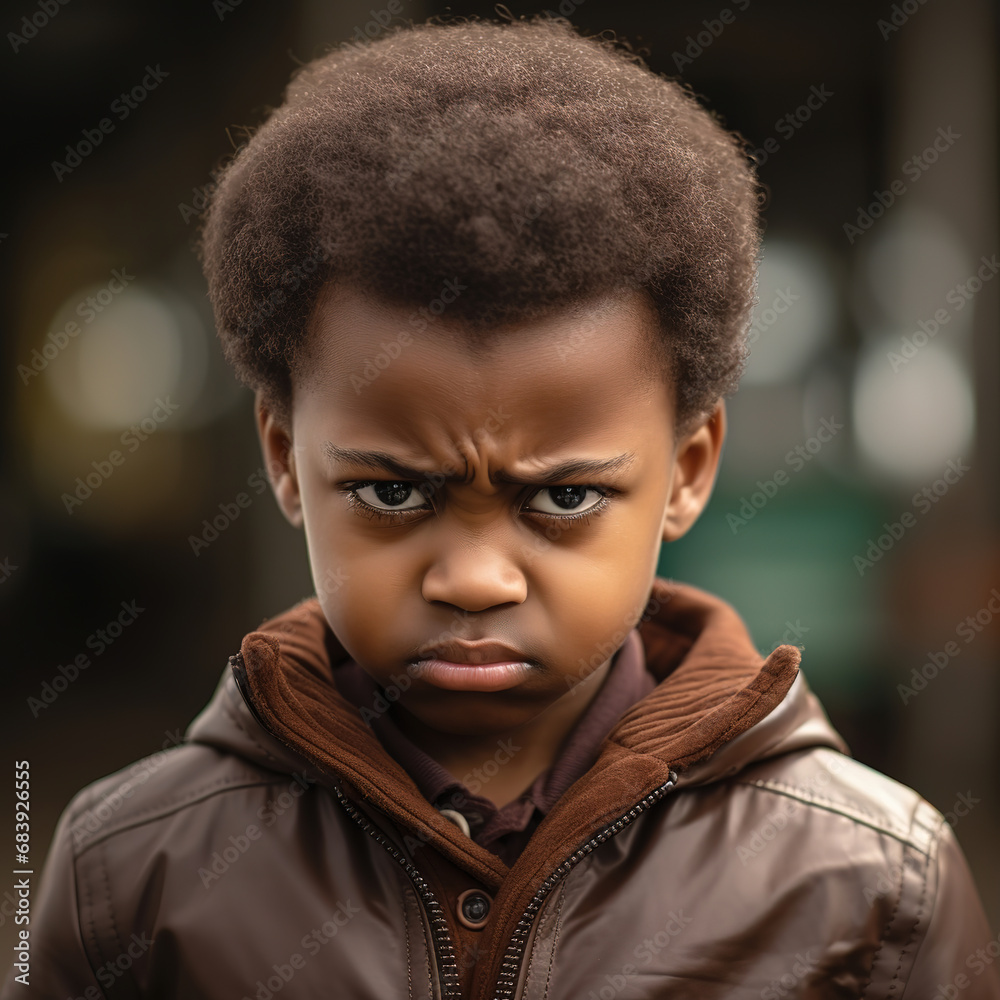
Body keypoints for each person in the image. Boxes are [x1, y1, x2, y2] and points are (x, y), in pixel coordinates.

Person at [5, 13, 998, 999]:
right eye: (392, 491)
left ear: (689, 470)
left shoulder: (871, 887)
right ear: (282, 457)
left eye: (564, 496)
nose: (474, 576)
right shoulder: (132, 874)